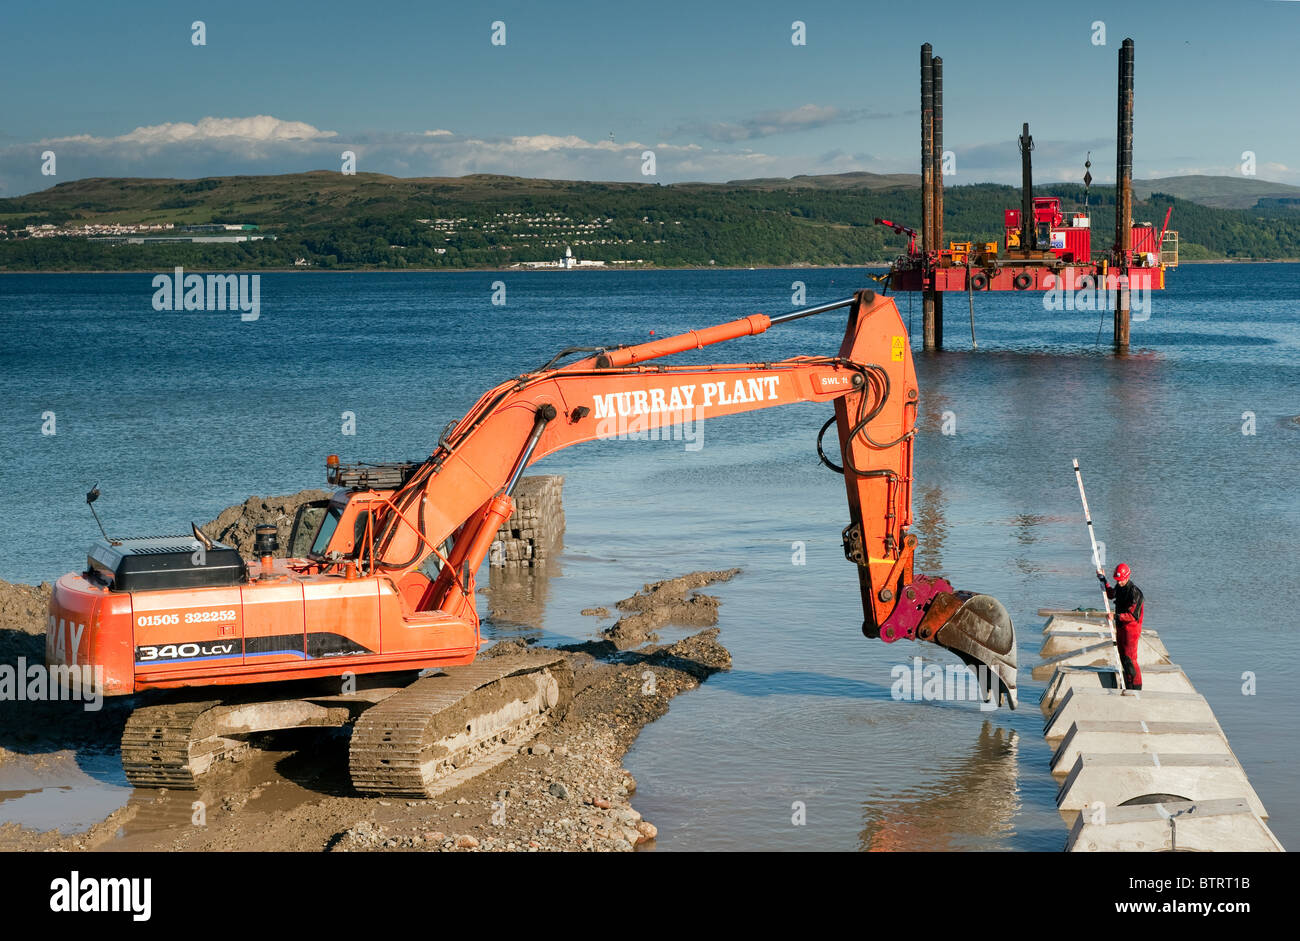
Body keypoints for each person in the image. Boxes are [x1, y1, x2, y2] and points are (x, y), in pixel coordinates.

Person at [1098, 563, 1144, 692]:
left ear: (1127, 577)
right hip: (1121, 628)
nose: (1120, 582)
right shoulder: (1120, 586)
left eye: (1121, 580)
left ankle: (1136, 688)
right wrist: (1103, 579)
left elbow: (1133, 615)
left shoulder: (1135, 594)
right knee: (1122, 657)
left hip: (1131, 630)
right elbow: (1111, 594)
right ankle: (1127, 685)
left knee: (1130, 659)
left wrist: (1115, 616)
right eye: (1118, 580)